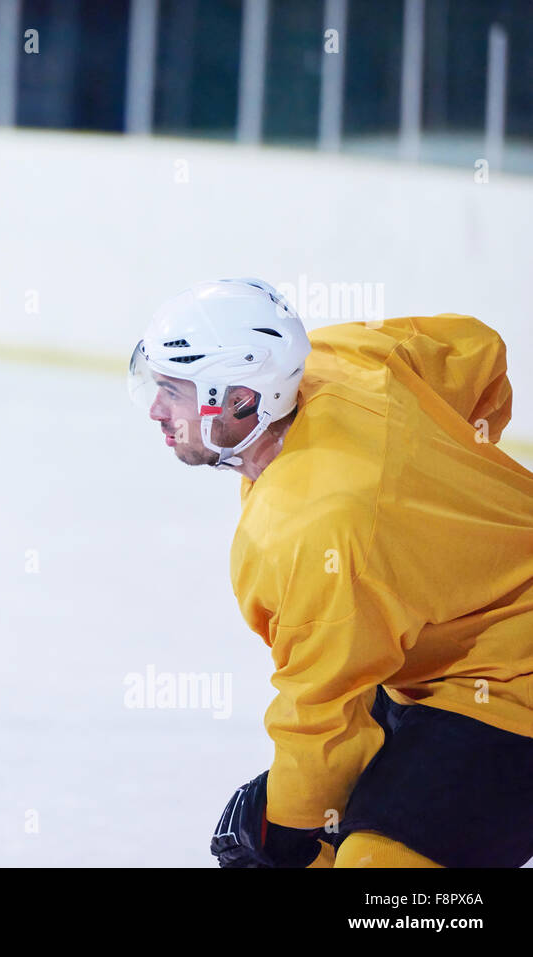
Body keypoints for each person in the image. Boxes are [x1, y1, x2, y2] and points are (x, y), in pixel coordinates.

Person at [128, 278, 533, 868]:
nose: (155, 410)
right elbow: (476, 348)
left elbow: (322, 711)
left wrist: (289, 835)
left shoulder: (308, 528)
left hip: (510, 685)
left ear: (240, 398)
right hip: (446, 657)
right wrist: (450, 480)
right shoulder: (342, 359)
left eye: (172, 390)